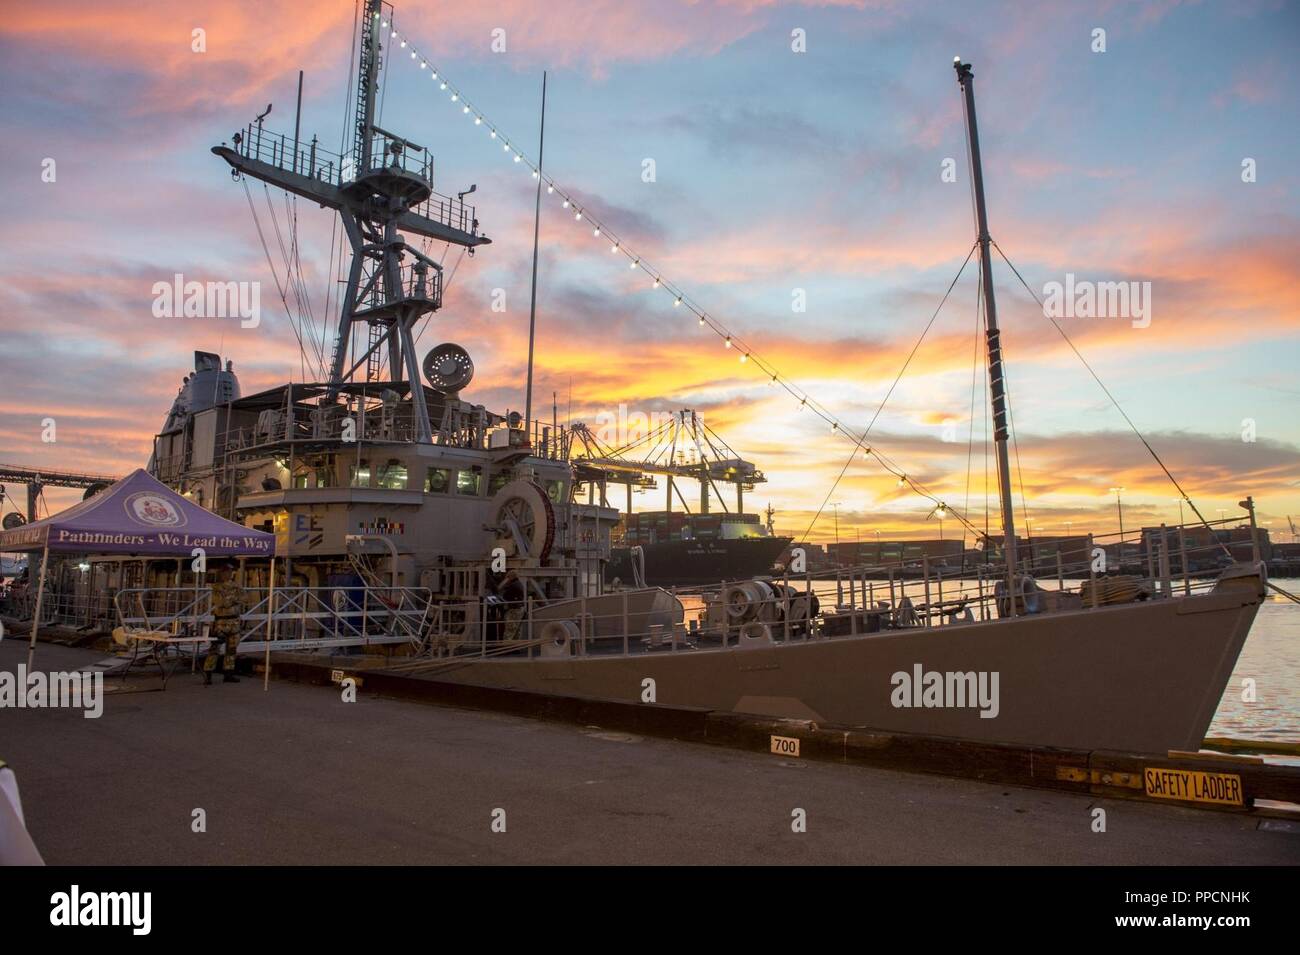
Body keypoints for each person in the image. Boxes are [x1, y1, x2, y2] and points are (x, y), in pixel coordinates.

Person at [203, 562, 243, 685]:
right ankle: (208, 674)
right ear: (222, 573)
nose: (229, 574)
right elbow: (221, 603)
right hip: (221, 621)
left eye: (230, 571)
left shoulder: (236, 586)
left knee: (232, 649)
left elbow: (245, 598)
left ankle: (229, 673)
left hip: (234, 621)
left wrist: (230, 599)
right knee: (215, 649)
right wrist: (233, 599)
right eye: (227, 571)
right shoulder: (217, 587)